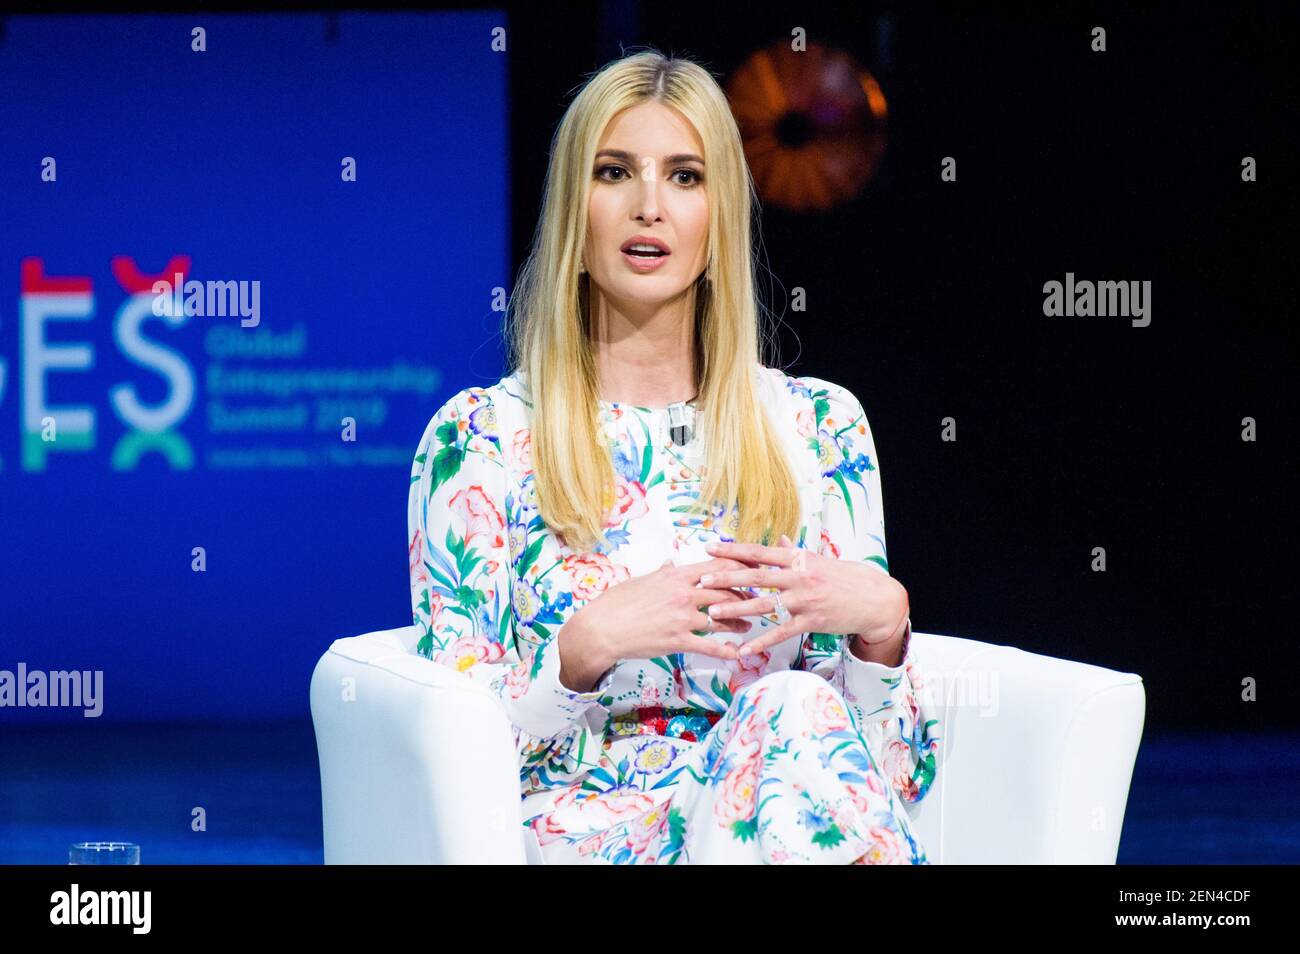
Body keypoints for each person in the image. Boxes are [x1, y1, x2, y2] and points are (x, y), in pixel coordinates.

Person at [407, 48, 940, 864]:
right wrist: (578, 655)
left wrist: (882, 629)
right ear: (572, 213)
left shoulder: (820, 427)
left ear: (720, 216)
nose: (649, 205)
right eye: (615, 172)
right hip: (590, 829)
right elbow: (443, 767)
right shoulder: (480, 438)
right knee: (787, 712)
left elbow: (892, 781)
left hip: (779, 818)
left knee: (792, 712)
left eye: (685, 177)